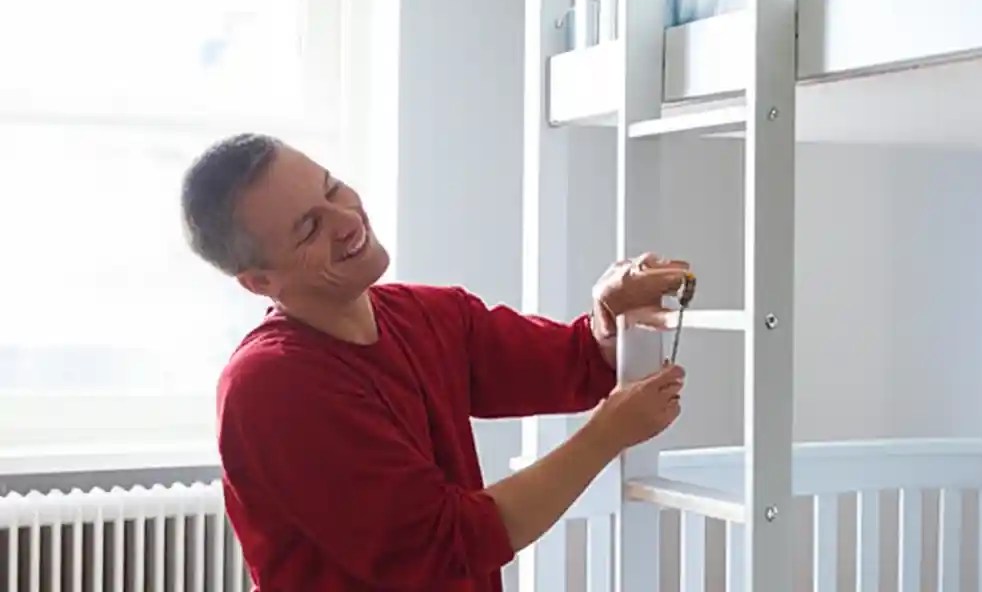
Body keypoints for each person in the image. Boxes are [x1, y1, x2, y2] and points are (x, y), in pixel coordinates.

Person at [180, 133, 690, 591]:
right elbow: (445, 546)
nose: (347, 219)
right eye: (310, 227)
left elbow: (576, 362)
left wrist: (608, 315)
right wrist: (605, 436)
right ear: (259, 282)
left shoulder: (429, 315)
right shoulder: (272, 387)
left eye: (332, 188)